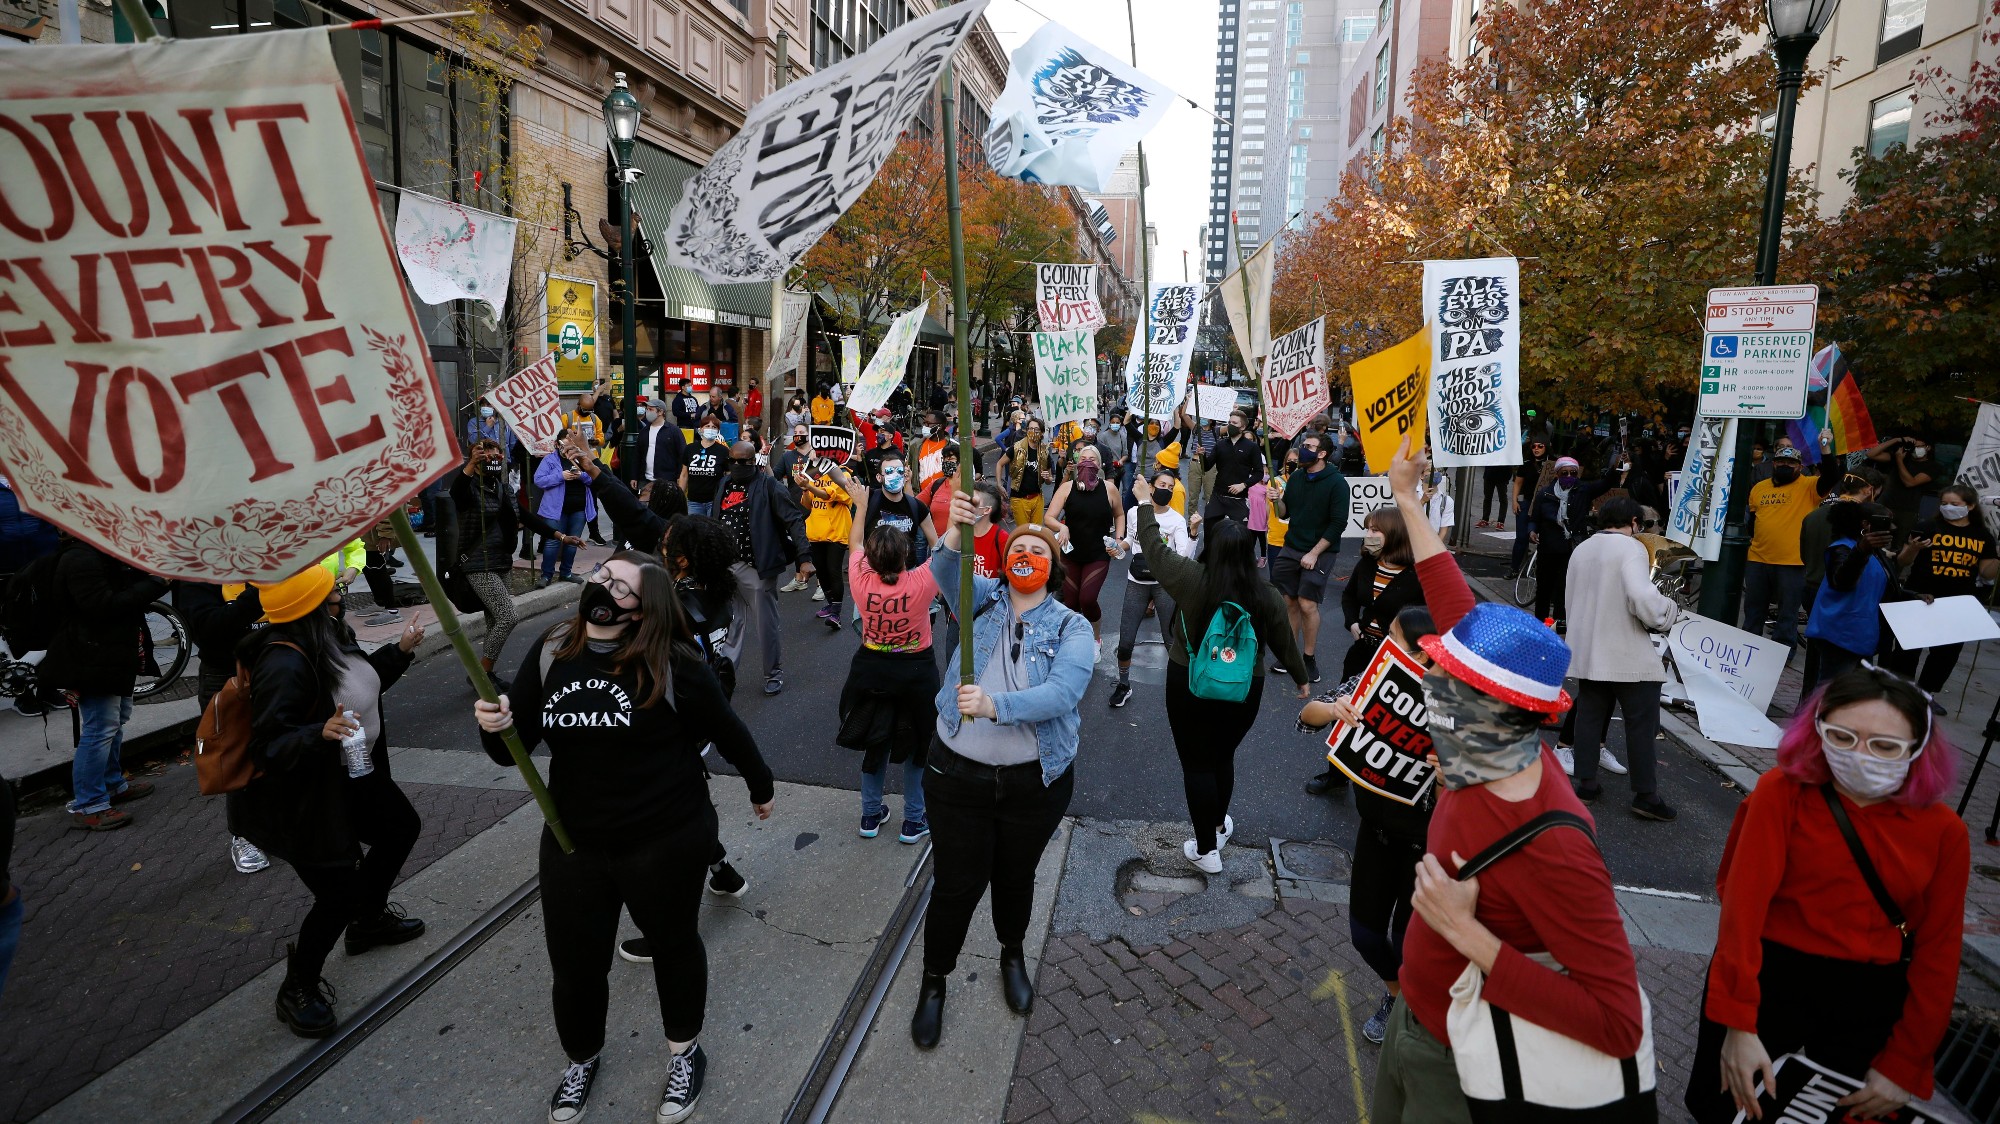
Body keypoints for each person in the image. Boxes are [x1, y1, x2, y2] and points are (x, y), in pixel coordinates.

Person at [1368, 437, 1645, 1124]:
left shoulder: (1554, 844)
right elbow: (1452, 595)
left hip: (1462, 1060)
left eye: (1443, 676)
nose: (1426, 677)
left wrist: (1472, 939)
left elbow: (1617, 1022)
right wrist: (1406, 494)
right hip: (1415, 1016)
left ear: (1484, 707)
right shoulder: (1490, 736)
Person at [473, 552, 774, 1124]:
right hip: (574, 842)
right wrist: (495, 724)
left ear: (643, 610)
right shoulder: (552, 648)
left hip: (664, 838)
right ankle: (582, 1058)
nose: (603, 589)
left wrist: (760, 786)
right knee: (575, 963)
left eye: (620, 586)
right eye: (601, 577)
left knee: (673, 944)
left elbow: (726, 729)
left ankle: (685, 1052)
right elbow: (511, 749)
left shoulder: (674, 662)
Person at [1687, 665, 1967, 1124]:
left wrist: (1904, 1062)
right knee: (1725, 1106)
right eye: (1843, 737)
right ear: (1818, 732)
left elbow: (1939, 953)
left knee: (1835, 1113)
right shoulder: (1782, 794)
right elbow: (1742, 911)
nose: (1861, 755)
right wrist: (1738, 1024)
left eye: (1884, 746)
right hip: (1770, 975)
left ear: (1917, 751)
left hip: (1868, 995)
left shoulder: (1944, 833)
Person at [910, 499, 1092, 1050]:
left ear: (1053, 569)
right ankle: (934, 981)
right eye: (1018, 548)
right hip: (956, 777)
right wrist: (954, 535)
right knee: (955, 886)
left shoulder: (1072, 626)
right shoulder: (982, 602)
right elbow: (942, 571)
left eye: (1039, 550)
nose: (1027, 555)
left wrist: (996, 706)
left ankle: (1011, 954)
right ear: (1003, 561)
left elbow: (1064, 693)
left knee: (1015, 877)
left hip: (1033, 785)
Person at [231, 565, 428, 1037]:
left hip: (355, 776)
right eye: (334, 591)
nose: (343, 593)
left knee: (400, 828)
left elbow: (357, 689)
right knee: (337, 894)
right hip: (308, 798)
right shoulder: (285, 661)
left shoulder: (331, 636)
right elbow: (269, 746)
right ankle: (297, 987)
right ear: (312, 606)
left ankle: (369, 920)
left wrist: (399, 652)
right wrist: (317, 734)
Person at [1139, 502, 1310, 874]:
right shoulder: (1266, 594)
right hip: (1246, 687)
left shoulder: (1190, 577)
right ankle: (1217, 827)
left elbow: (1152, 548)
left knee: (1196, 763)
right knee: (1222, 755)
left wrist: (1143, 503)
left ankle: (1205, 850)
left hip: (1189, 682)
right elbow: (1284, 641)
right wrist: (1300, 677)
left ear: (1211, 550)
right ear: (1250, 553)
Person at [1296, 605, 1439, 1045]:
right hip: (1374, 831)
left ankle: (1408, 1005)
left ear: (1428, 653)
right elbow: (1304, 719)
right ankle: (1397, 993)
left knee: (1409, 942)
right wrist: (1333, 709)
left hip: (1426, 846)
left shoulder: (1457, 703)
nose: (1384, 642)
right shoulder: (1373, 678)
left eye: (1394, 636)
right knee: (1365, 933)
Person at [824, 461, 942, 843]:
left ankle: (870, 816)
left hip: (871, 669)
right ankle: (914, 819)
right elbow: (946, 545)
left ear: (871, 558)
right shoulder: (924, 581)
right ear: (908, 554)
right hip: (916, 672)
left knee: (877, 741)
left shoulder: (859, 579)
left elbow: (855, 544)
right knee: (918, 746)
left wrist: (859, 506)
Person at [40, 539, 171, 831]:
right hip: (92, 657)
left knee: (114, 721)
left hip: (110, 654)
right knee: (100, 728)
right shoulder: (81, 559)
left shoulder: (100, 554)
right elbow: (102, 606)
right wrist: (155, 584)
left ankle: (112, 784)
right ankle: (90, 804)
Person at [1562, 496, 1680, 819]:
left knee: (1589, 715)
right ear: (1633, 523)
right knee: (1641, 723)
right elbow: (1643, 599)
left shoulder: (1581, 549)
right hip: (1625, 651)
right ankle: (1646, 795)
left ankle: (1586, 783)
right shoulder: (1631, 549)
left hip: (1588, 648)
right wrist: (1668, 611)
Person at [444, 438, 577, 681]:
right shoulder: (470, 487)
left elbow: (525, 516)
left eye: (497, 457)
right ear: (475, 459)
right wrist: (471, 464)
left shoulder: (503, 488)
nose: (493, 461)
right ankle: (480, 674)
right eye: (487, 457)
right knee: (508, 617)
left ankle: (488, 672)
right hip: (479, 564)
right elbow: (457, 492)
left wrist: (561, 536)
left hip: (502, 561)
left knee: (495, 620)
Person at [176, 579, 273, 872]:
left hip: (275, 662)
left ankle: (284, 821)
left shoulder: (264, 556)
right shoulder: (197, 575)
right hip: (227, 674)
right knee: (238, 757)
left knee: (285, 741)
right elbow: (208, 628)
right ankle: (245, 836)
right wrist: (259, 595)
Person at [1884, 483, 1997, 692]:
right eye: (1944, 503)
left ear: (1970, 506)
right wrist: (1914, 548)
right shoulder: (1928, 527)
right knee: (1907, 648)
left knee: (1946, 653)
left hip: (1957, 602)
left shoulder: (1982, 535)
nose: (1948, 507)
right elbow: (1903, 561)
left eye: (1955, 504)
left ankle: (1926, 693)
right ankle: (1900, 690)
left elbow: (1986, 573)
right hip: (1920, 595)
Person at [716, 440, 808, 695]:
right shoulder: (724, 484)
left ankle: (773, 673)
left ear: (753, 460)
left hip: (757, 567)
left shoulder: (770, 486)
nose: (736, 466)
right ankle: (726, 674)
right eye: (732, 461)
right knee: (731, 623)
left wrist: (804, 557)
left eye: (743, 461)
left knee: (765, 625)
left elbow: (794, 520)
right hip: (726, 565)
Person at [1109, 469, 1196, 709]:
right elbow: (1129, 541)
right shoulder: (1135, 512)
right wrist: (1118, 549)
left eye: (1170, 487)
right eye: (1162, 484)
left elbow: (1182, 557)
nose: (1165, 490)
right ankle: (1124, 684)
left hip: (1163, 585)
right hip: (1136, 583)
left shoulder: (1177, 520)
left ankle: (1182, 687)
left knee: (1171, 642)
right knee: (1126, 640)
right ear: (1150, 486)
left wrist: (1193, 533)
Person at [1269, 432, 1350, 684]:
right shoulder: (1296, 478)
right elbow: (1285, 513)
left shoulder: (1337, 483)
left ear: (1322, 453)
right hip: (1292, 547)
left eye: (1308, 447)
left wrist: (1314, 553)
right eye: (1302, 445)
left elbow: (1338, 524)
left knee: (1306, 604)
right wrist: (1276, 500)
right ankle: (1290, 654)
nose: (1302, 450)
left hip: (1321, 550)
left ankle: (1308, 658)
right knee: (1289, 601)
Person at [1803, 502, 1901, 691]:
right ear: (1866, 524)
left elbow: (1880, 587)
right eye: (1885, 522)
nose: (1891, 528)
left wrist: (1915, 596)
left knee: (1851, 692)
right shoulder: (1842, 548)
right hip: (1839, 633)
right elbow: (1841, 582)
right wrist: (1861, 551)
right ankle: (1816, 720)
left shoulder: (1876, 553)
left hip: (1860, 633)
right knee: (1832, 690)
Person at [1047, 440, 1124, 650]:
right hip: (1070, 554)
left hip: (1098, 554)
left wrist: (1118, 540)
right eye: (1083, 459)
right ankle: (1071, 640)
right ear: (1076, 462)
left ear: (1099, 466)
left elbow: (1119, 514)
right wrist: (1061, 527)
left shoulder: (1109, 489)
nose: (1087, 463)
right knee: (1070, 603)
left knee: (1087, 599)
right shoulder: (1066, 487)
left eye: (1092, 460)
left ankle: (1095, 638)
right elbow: (1049, 517)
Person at [1740, 445, 1817, 651]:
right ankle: (1748, 648)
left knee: (1787, 612)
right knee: (1753, 609)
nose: (1785, 465)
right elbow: (1753, 520)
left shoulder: (1809, 486)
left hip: (1792, 561)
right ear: (1773, 464)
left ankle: (1783, 653)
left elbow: (1832, 476)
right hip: (1757, 558)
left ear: (1799, 467)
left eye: (1791, 463)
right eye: (1781, 461)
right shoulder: (1759, 487)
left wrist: (1825, 450)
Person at [1529, 456, 1615, 628]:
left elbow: (1606, 483)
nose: (1569, 476)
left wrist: (1616, 466)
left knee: (1565, 587)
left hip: (1571, 548)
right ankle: (1539, 624)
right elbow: (1534, 518)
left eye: (1573, 473)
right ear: (1558, 473)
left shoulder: (1583, 490)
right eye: (1565, 473)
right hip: (1548, 547)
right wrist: (1531, 530)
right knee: (1544, 587)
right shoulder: (1545, 493)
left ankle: (1560, 622)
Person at [796, 458, 854, 629]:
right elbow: (808, 504)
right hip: (815, 533)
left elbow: (828, 495)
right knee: (821, 571)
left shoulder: (843, 476)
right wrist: (806, 490)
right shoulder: (815, 475)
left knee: (833, 570)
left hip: (836, 533)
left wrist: (809, 486)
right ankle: (831, 605)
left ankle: (836, 613)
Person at [534, 437, 596, 587]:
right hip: (556, 510)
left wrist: (582, 476)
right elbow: (539, 480)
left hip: (579, 508)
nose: (567, 449)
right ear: (557, 445)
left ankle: (566, 572)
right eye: (563, 445)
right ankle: (546, 575)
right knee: (553, 542)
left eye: (570, 445)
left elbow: (594, 478)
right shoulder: (550, 460)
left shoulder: (582, 458)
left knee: (573, 542)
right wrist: (560, 476)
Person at [1867, 435, 1943, 546]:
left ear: (1928, 448)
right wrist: (1897, 440)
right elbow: (1871, 454)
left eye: (1919, 446)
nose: (1916, 450)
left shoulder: (1933, 467)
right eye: (1914, 447)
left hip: (1907, 511)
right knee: (1878, 540)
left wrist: (1899, 460)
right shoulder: (1902, 457)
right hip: (1885, 506)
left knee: (1900, 543)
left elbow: (1910, 482)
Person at [1197, 406, 1265, 524]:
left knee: (1238, 534)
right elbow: (1206, 467)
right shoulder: (1220, 444)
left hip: (1238, 499)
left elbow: (1259, 473)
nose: (1230, 425)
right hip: (1218, 496)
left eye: (1234, 423)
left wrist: (1244, 485)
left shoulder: (1252, 447)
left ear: (1243, 427)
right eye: (1229, 422)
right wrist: (1202, 456)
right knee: (1209, 524)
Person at [1505, 437, 1550, 579]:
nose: (1536, 449)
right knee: (1521, 538)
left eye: (1540, 446)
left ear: (1546, 447)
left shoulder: (1552, 463)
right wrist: (1514, 501)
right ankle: (1514, 568)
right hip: (1527, 502)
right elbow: (1518, 483)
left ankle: (1540, 569)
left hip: (1545, 504)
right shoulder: (1526, 464)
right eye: (1534, 446)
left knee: (1545, 537)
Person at [999, 418, 1051, 527]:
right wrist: (999, 484)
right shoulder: (1016, 448)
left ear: (1042, 433)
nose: (1033, 432)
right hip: (1019, 499)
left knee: (1036, 532)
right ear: (1027, 430)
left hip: (1037, 498)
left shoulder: (1044, 452)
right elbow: (1000, 464)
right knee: (1024, 532)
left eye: (1036, 429)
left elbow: (1049, 481)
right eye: (1031, 428)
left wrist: (1047, 477)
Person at [642, 397, 690, 500]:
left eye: (651, 409)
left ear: (660, 412)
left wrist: (679, 476)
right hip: (647, 479)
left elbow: (682, 454)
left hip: (668, 479)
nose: (647, 412)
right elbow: (638, 454)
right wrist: (635, 476)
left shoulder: (673, 431)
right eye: (647, 409)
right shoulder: (644, 431)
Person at [683, 421, 728, 517]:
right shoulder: (690, 448)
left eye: (714, 427)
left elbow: (728, 475)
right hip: (693, 500)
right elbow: (684, 475)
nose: (711, 429)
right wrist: (681, 495)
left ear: (718, 431)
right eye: (707, 426)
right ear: (701, 429)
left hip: (714, 500)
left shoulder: (723, 451)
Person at [1476, 463, 1512, 528]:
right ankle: (1485, 519)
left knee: (1502, 498)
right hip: (1489, 474)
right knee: (1487, 497)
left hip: (1502, 475)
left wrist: (1508, 475)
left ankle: (1501, 521)